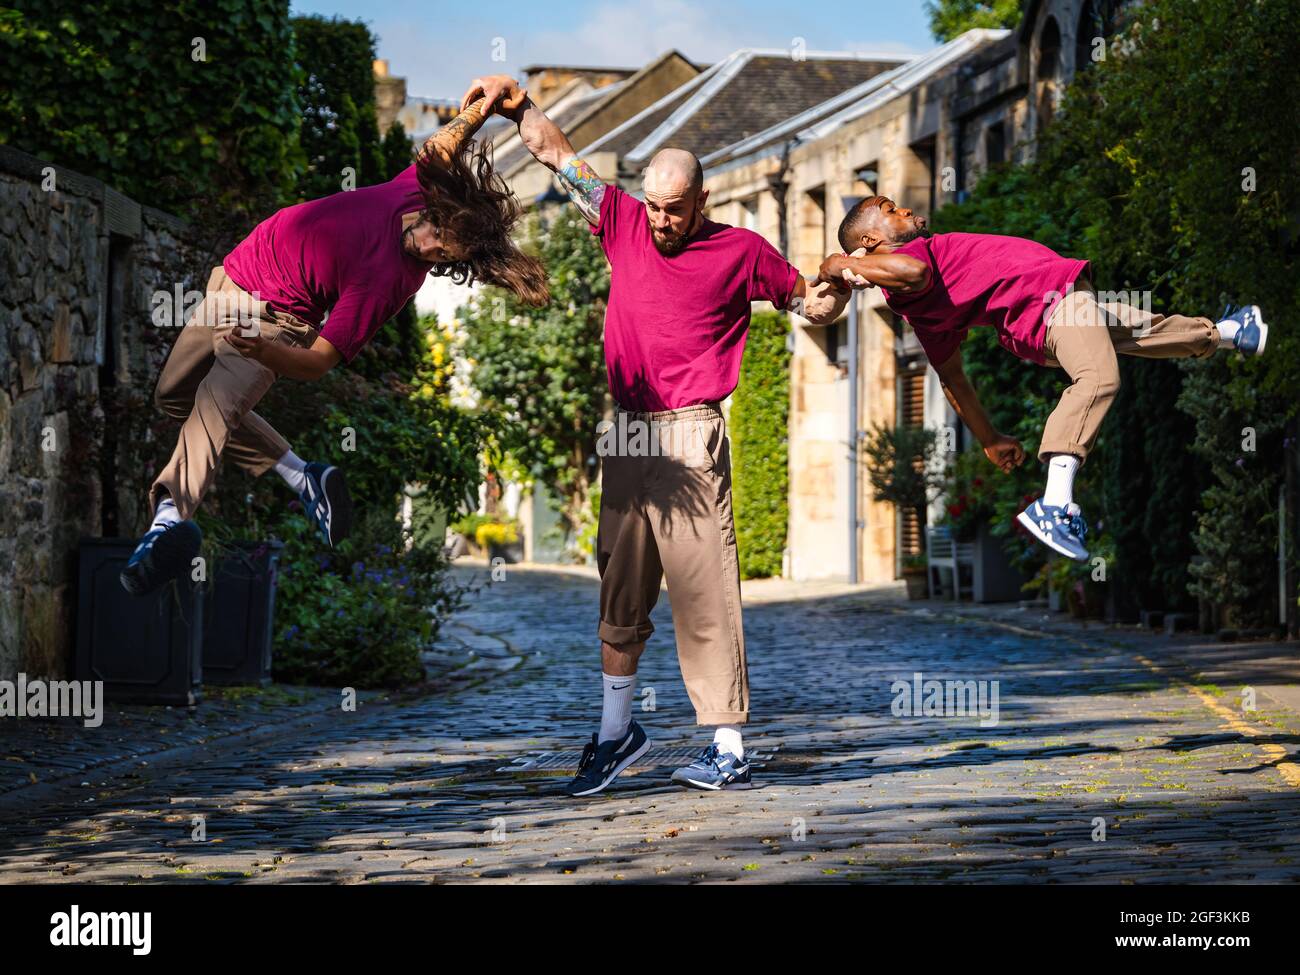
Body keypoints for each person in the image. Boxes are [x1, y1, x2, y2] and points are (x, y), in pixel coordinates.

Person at [463, 73, 851, 794]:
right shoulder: (621, 221)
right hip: (629, 434)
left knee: (703, 588)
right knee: (620, 586)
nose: (662, 220)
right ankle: (616, 734)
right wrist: (515, 105)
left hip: (690, 432)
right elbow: (557, 153)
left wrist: (841, 280)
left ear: (700, 201)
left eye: (674, 209)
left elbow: (810, 303)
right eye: (654, 206)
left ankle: (727, 742)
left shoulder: (742, 252)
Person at [120, 87, 548, 596]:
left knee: (213, 408)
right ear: (437, 209)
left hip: (276, 322)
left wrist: (264, 351)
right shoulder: (417, 188)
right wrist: (485, 107)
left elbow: (319, 360)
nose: (427, 244)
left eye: (442, 254)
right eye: (434, 231)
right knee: (174, 396)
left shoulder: (388, 282)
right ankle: (303, 477)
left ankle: (165, 520)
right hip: (231, 282)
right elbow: (445, 142)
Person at [823, 196, 1267, 561]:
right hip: (1049, 303)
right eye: (889, 208)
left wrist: (990, 438)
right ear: (871, 239)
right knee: (1098, 378)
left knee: (1140, 328)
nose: (903, 209)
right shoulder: (910, 259)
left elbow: (952, 377)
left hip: (1052, 305)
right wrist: (838, 263)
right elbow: (912, 276)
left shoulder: (919, 302)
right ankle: (1055, 502)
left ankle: (1229, 333)